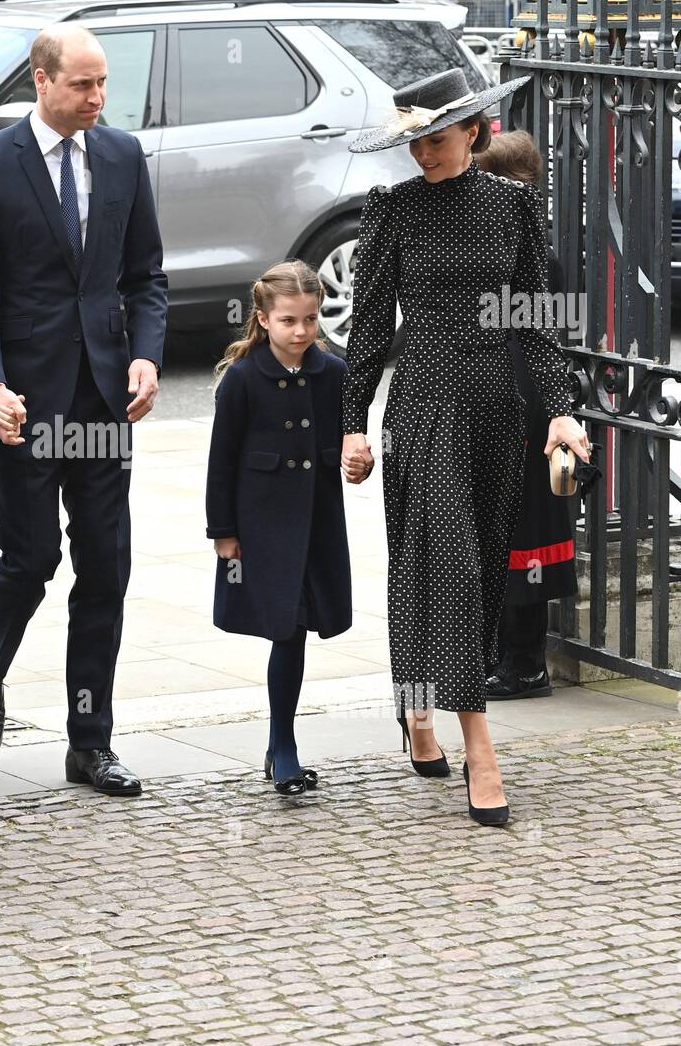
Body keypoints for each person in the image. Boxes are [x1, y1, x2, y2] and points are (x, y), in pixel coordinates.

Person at [343, 68, 591, 827]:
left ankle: (418, 707)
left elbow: (538, 323)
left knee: (479, 575)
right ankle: (480, 749)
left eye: (437, 138)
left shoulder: (511, 206)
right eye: (414, 141)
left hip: (495, 414)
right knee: (443, 567)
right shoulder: (393, 211)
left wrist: (559, 411)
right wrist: (354, 421)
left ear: (474, 132)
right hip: (421, 409)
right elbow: (370, 330)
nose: (424, 153)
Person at [0, 24, 168, 796]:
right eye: (82, 84)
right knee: (32, 557)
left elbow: (146, 277)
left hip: (104, 398)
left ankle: (90, 741)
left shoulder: (120, 155)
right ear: (41, 81)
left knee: (105, 566)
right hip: (26, 402)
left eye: (103, 82)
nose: (98, 98)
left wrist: (145, 353)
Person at [206, 263, 358, 796]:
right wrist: (223, 532)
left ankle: (280, 745)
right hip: (261, 528)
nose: (301, 331)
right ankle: (283, 745)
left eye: (311, 320)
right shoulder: (244, 378)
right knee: (283, 630)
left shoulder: (333, 372)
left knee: (298, 631)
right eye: (289, 320)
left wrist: (355, 458)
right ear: (264, 318)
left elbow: (349, 436)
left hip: (316, 524)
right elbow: (220, 460)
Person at [477, 131, 589, 700]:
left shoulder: (532, 256)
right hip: (506, 413)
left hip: (530, 420)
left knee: (524, 549)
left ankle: (525, 665)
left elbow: (537, 342)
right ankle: (504, 659)